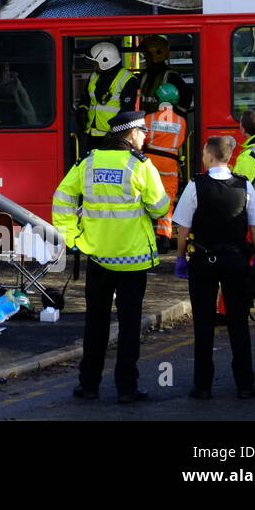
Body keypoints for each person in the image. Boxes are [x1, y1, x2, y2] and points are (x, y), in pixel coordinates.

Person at [53, 109, 171, 403]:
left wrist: (73, 237)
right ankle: (126, 388)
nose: (145, 137)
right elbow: (159, 208)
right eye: (142, 131)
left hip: (98, 257)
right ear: (131, 133)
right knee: (130, 326)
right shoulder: (141, 165)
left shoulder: (88, 162)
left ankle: (88, 385)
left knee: (95, 324)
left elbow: (63, 198)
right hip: (133, 260)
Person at [173, 134, 255, 400]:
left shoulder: (195, 185)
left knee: (203, 324)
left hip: (203, 260)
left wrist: (180, 257)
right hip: (236, 261)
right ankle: (245, 384)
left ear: (210, 155)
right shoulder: (244, 186)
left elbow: (183, 227)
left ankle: (203, 386)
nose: (202, 157)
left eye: (203, 153)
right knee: (238, 323)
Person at [145, 83, 188, 247]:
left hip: (150, 161)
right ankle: (164, 237)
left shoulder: (149, 119)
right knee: (167, 199)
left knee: (148, 196)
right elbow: (181, 141)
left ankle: (148, 234)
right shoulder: (181, 121)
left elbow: (143, 139)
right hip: (170, 163)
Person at [82, 41, 139, 153]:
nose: (94, 66)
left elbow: (126, 110)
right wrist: (82, 110)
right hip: (91, 133)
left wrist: (115, 132)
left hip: (112, 136)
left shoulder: (127, 79)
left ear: (105, 61)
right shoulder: (94, 76)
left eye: (95, 63)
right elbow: (86, 98)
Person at [138, 34, 194, 111]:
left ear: (156, 54)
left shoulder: (170, 76)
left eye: (146, 55)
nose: (145, 58)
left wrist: (178, 113)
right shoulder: (146, 75)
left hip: (162, 121)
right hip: (148, 120)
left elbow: (187, 94)